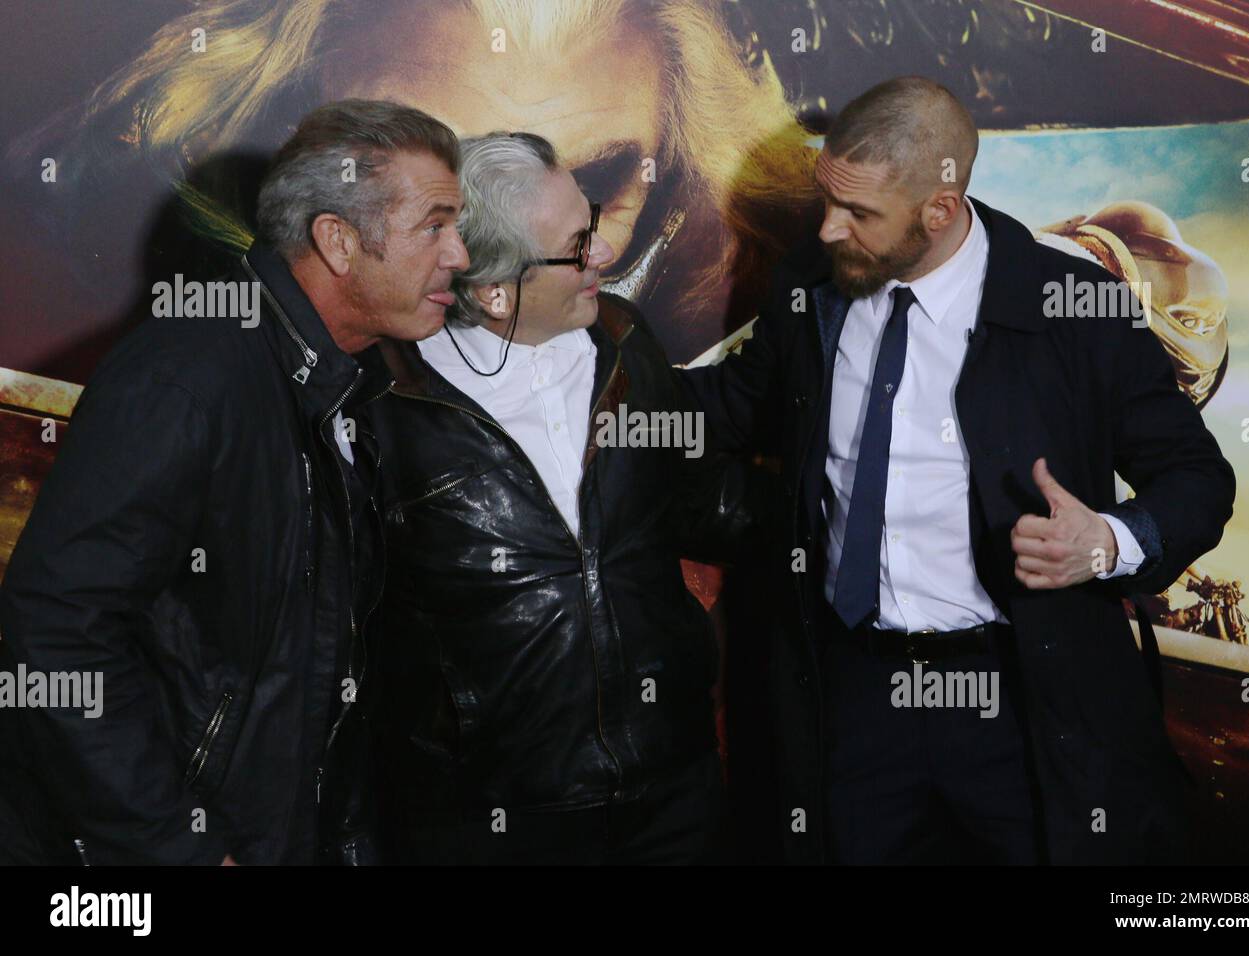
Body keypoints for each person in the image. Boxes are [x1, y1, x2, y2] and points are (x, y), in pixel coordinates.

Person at [683, 76, 1236, 864]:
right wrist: (590, 383)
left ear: (938, 210)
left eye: (860, 214)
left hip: (1019, 698)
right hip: (853, 693)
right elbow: (730, 405)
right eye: (827, 200)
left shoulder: (1076, 307)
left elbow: (1198, 479)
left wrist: (1109, 541)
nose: (830, 230)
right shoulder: (810, 284)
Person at [0, 99, 468, 865]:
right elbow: (55, 630)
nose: (458, 253)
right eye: (435, 225)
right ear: (338, 241)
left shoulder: (344, 385)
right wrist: (172, 843)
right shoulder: (188, 375)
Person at [370, 131, 771, 865]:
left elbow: (703, 501)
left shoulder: (624, 342)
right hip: (491, 818)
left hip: (669, 792)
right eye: (576, 246)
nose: (604, 257)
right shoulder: (385, 402)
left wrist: (868, 514)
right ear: (492, 289)